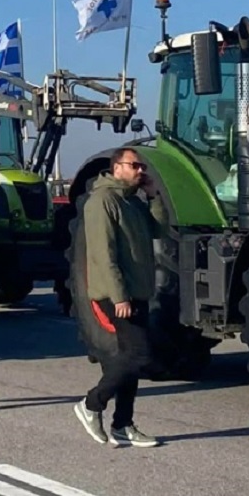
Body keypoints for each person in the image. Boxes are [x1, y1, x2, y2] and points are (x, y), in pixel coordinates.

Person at [72, 147, 163, 447]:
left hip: (136, 292)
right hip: (115, 295)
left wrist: (152, 196)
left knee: (130, 358)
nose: (141, 170)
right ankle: (90, 403)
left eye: (142, 166)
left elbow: (158, 230)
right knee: (140, 355)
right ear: (117, 168)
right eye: (135, 165)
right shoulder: (102, 201)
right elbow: (103, 253)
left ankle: (123, 424)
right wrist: (119, 296)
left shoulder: (132, 202)